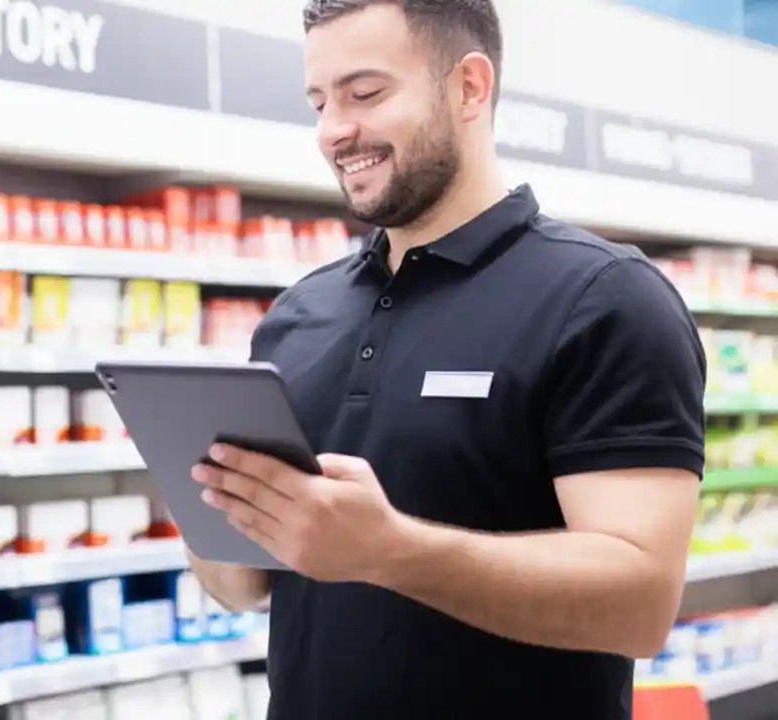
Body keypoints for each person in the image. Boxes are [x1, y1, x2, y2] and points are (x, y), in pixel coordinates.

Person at [185, 1, 706, 718]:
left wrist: (390, 550)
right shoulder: (296, 317)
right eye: (319, 100)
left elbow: (641, 601)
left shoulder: (603, 299)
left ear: (469, 87)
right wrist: (208, 504)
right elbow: (245, 586)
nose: (335, 129)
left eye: (365, 93)